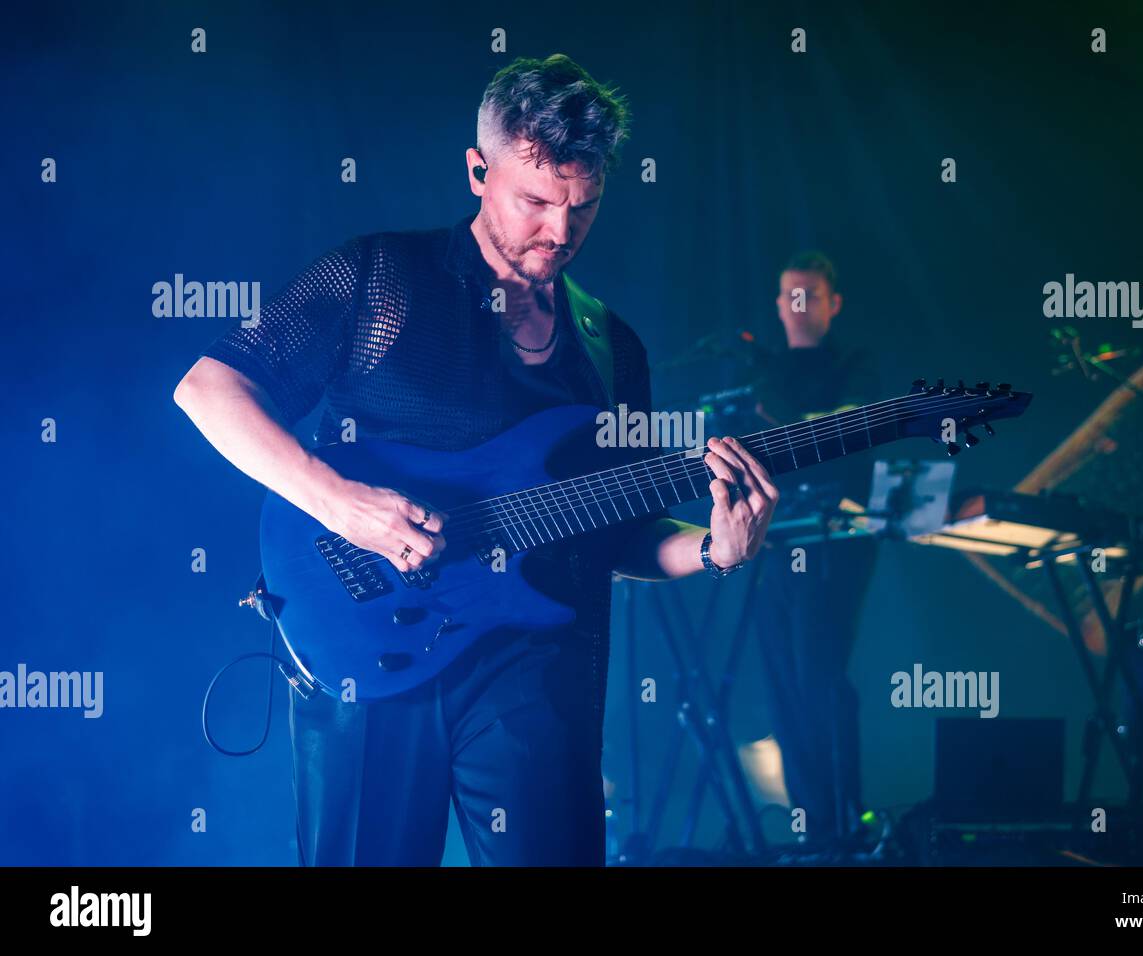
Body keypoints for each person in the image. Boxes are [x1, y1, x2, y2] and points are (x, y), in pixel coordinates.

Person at [173, 54, 779, 866]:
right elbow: (209, 389)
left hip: (539, 671)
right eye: (535, 201)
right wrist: (342, 503)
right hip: (369, 646)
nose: (560, 232)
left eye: (583, 206)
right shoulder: (381, 276)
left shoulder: (612, 348)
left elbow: (612, 530)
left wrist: (713, 548)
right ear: (476, 171)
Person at [746, 250, 877, 843]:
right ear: (778, 305)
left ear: (834, 304)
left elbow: (849, 446)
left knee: (820, 672)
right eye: (790, 296)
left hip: (834, 545)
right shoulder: (762, 372)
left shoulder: (857, 366)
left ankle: (846, 824)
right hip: (774, 548)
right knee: (779, 678)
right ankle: (812, 831)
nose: (799, 307)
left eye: (811, 296)